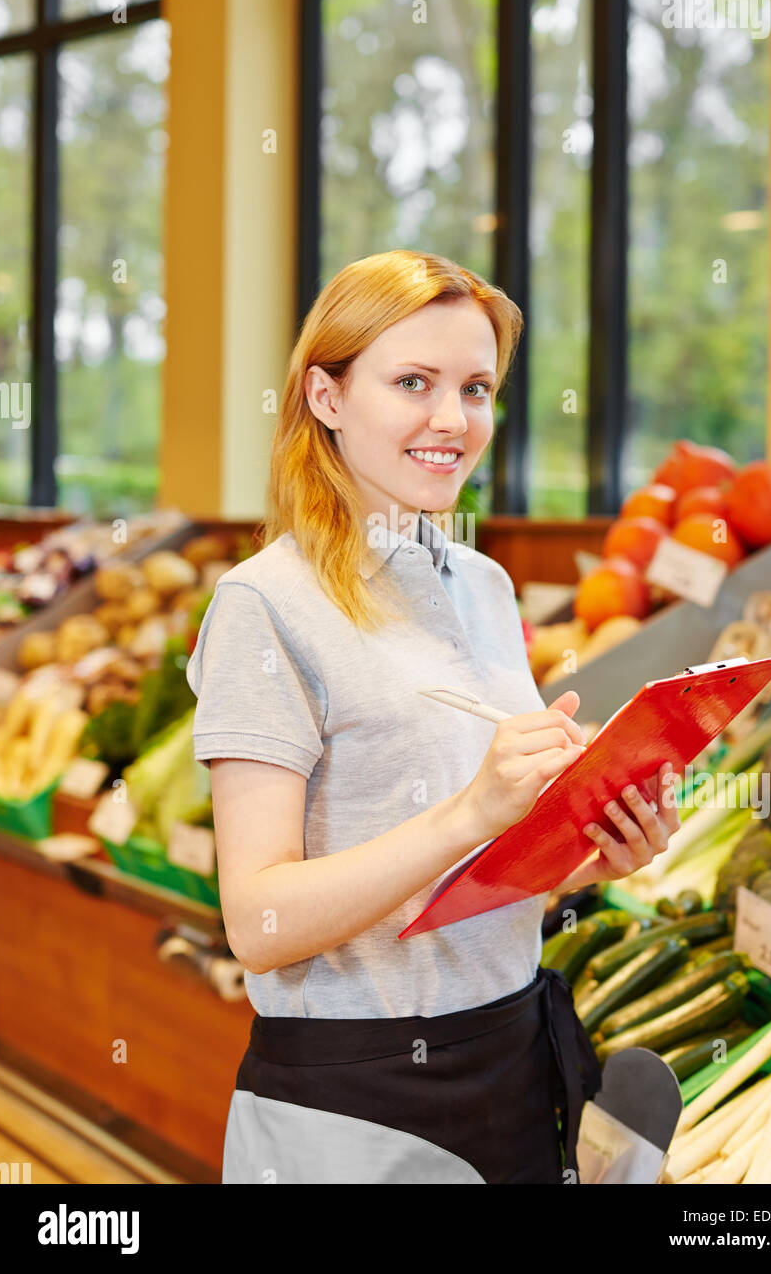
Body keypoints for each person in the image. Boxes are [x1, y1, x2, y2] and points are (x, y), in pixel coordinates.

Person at [185, 249, 678, 1185]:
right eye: (413, 382)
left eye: (477, 387)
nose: (452, 421)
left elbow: (483, 886)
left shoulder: (485, 589)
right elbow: (257, 920)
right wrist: (470, 811)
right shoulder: (265, 605)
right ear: (326, 397)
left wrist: (591, 854)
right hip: (356, 1105)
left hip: (514, 1063)